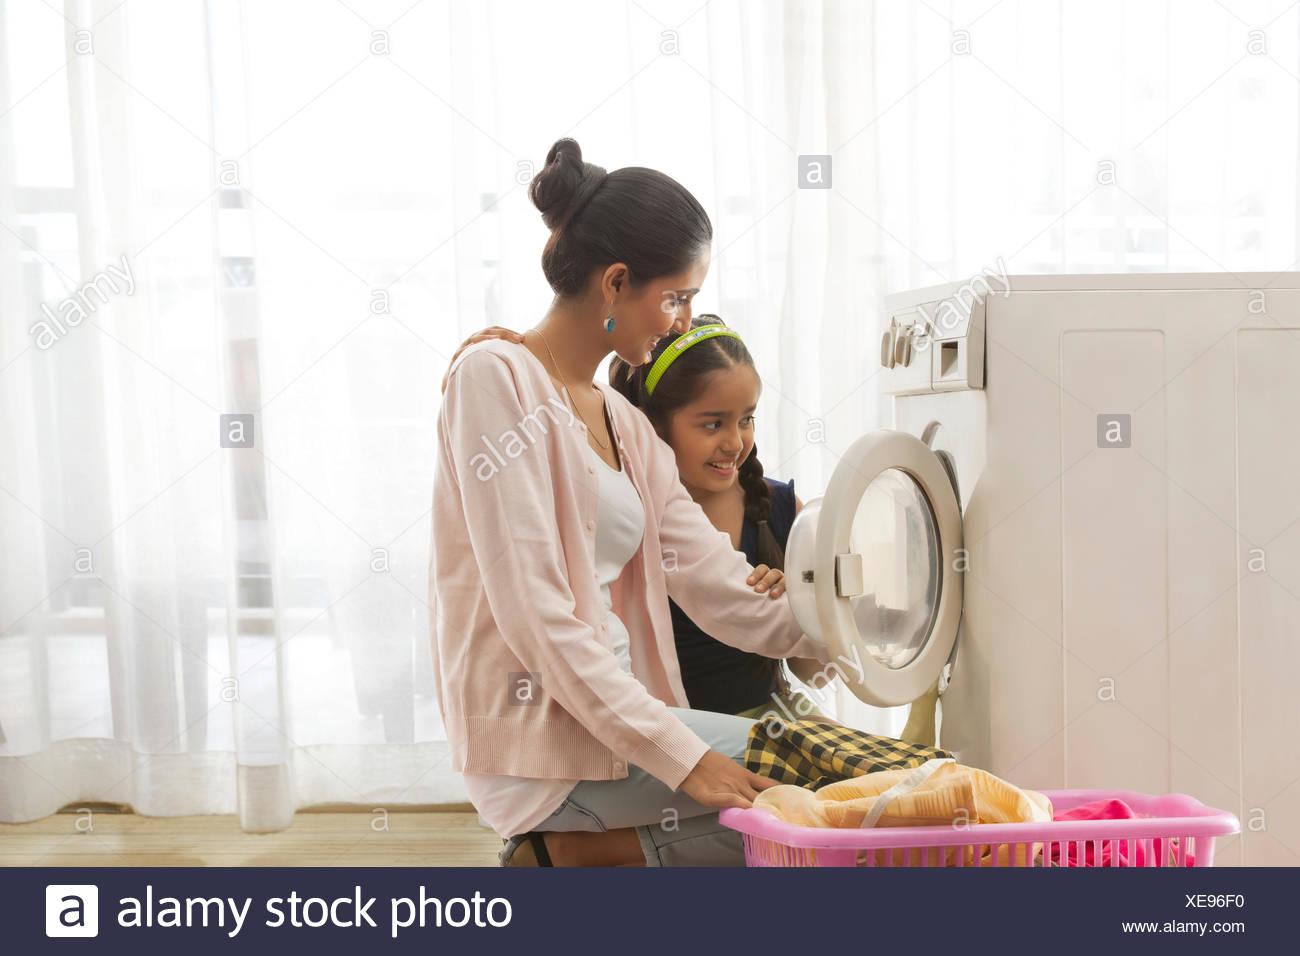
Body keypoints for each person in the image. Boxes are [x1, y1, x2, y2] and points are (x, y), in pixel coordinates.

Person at [429, 137, 828, 867]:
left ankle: (576, 862)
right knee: (853, 795)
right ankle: (571, 852)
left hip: (625, 720)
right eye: (676, 296)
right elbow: (535, 610)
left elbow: (716, 582)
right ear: (615, 282)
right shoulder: (497, 378)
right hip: (547, 739)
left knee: (864, 797)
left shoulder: (623, 421)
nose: (681, 321)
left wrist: (852, 626)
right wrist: (683, 757)